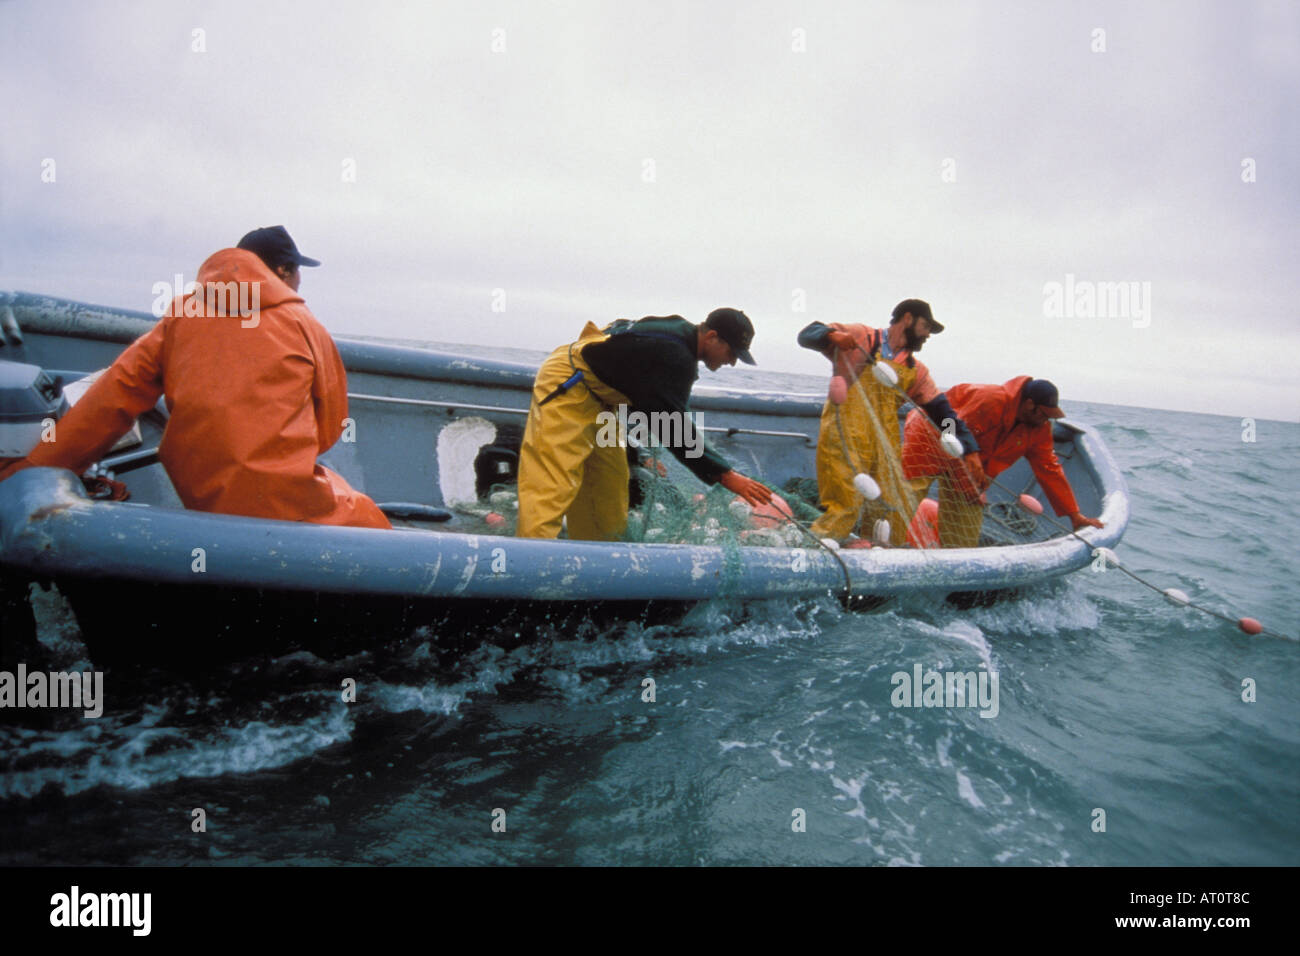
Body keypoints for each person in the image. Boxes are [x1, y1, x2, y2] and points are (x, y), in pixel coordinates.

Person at [0, 226, 390, 529]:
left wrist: (22, 476)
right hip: (286, 508)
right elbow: (331, 427)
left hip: (204, 502)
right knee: (373, 522)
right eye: (297, 272)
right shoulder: (306, 325)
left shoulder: (180, 317)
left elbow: (107, 405)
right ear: (284, 271)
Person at [516, 308, 773, 540]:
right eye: (731, 353)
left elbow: (646, 399)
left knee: (610, 482)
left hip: (604, 400)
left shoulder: (680, 337)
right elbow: (674, 428)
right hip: (570, 382)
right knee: (553, 480)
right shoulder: (676, 356)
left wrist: (641, 451)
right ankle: (526, 565)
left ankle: (596, 561)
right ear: (712, 336)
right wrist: (724, 475)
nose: (732, 362)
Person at [798, 299, 980, 545]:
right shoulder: (863, 337)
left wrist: (967, 448)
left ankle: (875, 556)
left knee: (891, 505)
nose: (927, 335)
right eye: (925, 326)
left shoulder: (916, 370)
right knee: (847, 501)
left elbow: (942, 413)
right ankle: (814, 551)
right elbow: (807, 335)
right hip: (844, 434)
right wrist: (831, 336)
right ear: (907, 318)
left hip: (885, 443)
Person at [901, 376, 1104, 547]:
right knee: (906, 491)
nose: (1046, 421)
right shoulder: (991, 400)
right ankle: (878, 543)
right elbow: (955, 434)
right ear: (1029, 404)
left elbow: (1050, 469)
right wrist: (970, 484)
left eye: (1050, 417)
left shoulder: (1039, 429)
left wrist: (1074, 515)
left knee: (967, 523)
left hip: (970, 462)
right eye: (1043, 414)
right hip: (931, 434)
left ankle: (952, 567)